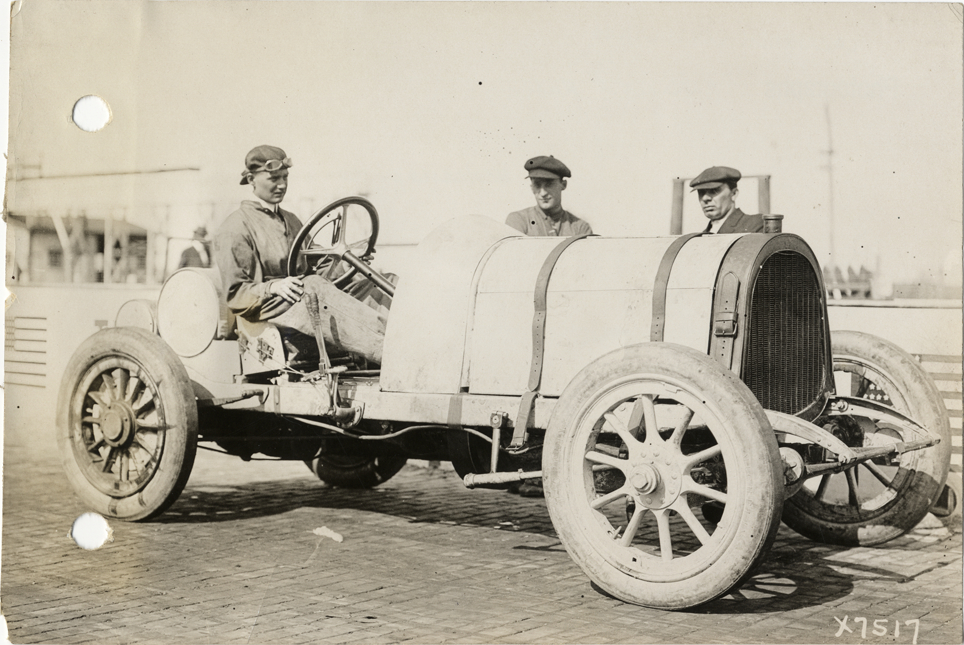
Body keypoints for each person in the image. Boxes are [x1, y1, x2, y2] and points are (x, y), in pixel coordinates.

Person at [213, 145, 388, 366]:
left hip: (302, 295)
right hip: (270, 306)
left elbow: (319, 264)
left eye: (285, 177)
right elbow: (236, 294)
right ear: (251, 179)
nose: (282, 185)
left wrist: (351, 264)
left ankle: (413, 335)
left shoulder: (292, 220)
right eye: (274, 178)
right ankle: (391, 352)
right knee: (313, 286)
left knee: (378, 283)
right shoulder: (235, 227)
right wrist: (273, 287)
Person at [506, 156, 593, 237]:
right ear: (532, 188)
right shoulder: (519, 221)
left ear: (563, 185)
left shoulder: (580, 228)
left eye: (549, 184)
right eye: (537, 185)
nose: (543, 193)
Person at [690, 166, 764, 234]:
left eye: (714, 191)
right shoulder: (702, 236)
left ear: (734, 194)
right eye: (701, 193)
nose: (705, 198)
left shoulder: (756, 225)